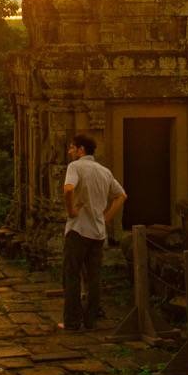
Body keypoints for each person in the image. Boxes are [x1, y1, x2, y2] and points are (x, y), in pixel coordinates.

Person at [61, 134, 126, 331]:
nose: (70, 152)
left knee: (71, 275)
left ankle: (72, 321)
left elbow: (68, 189)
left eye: (72, 148)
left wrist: (71, 210)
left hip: (78, 229)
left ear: (81, 150)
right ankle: (90, 321)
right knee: (93, 277)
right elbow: (122, 195)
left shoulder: (76, 167)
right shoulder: (104, 171)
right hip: (98, 233)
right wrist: (106, 218)